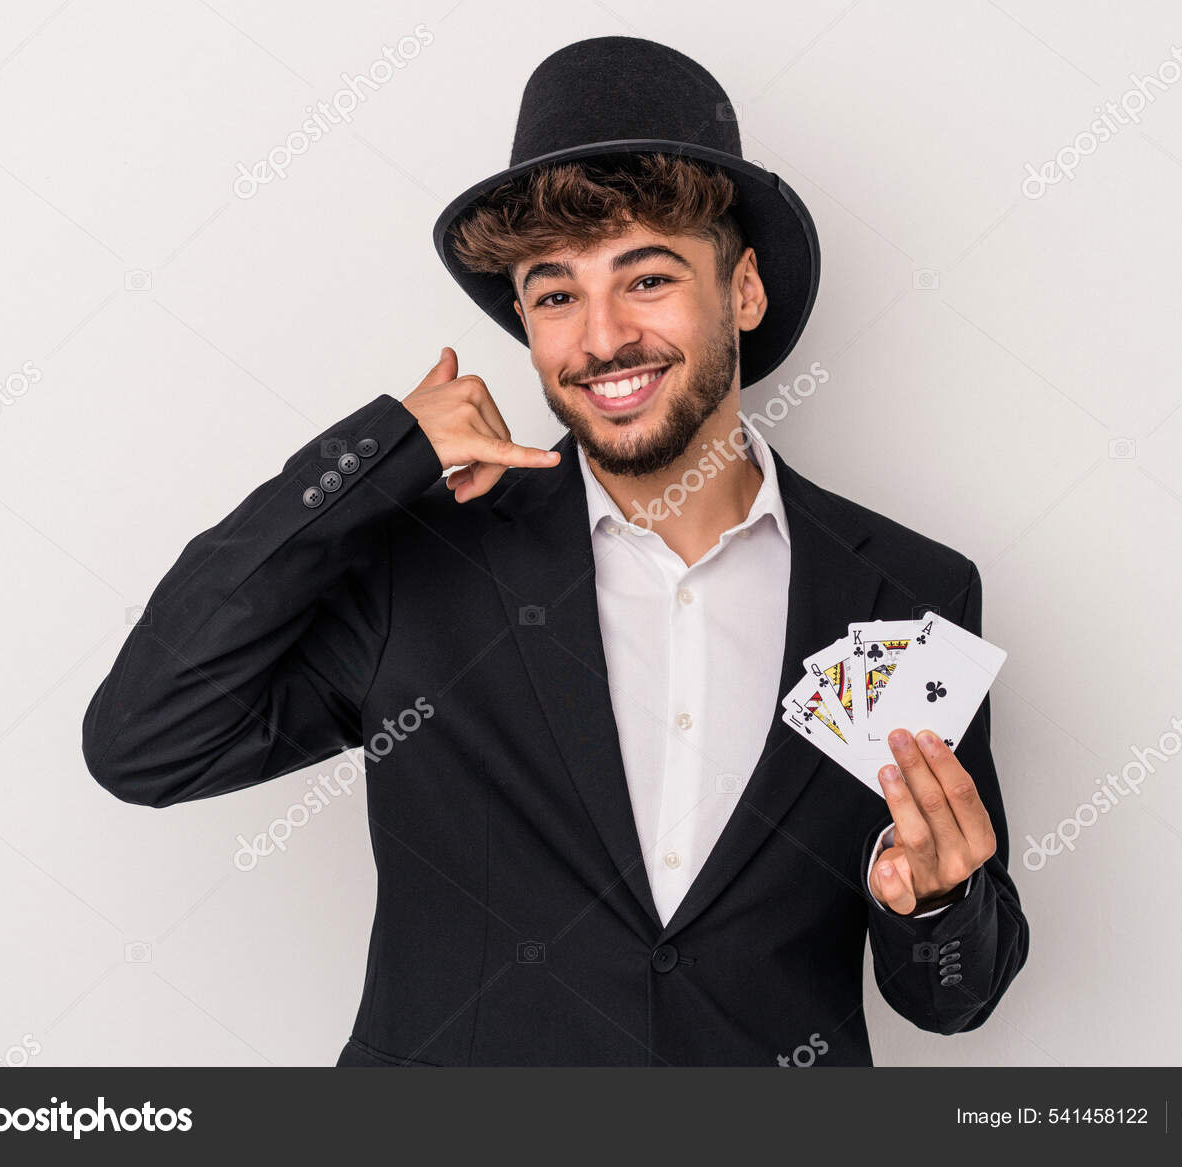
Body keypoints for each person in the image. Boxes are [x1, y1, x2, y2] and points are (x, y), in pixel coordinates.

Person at [82, 35, 1027, 1067]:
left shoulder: (905, 594)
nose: (602, 337)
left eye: (648, 276)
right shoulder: (421, 567)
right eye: (555, 293)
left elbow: (955, 999)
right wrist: (374, 459)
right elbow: (144, 741)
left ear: (744, 291)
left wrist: (938, 903)